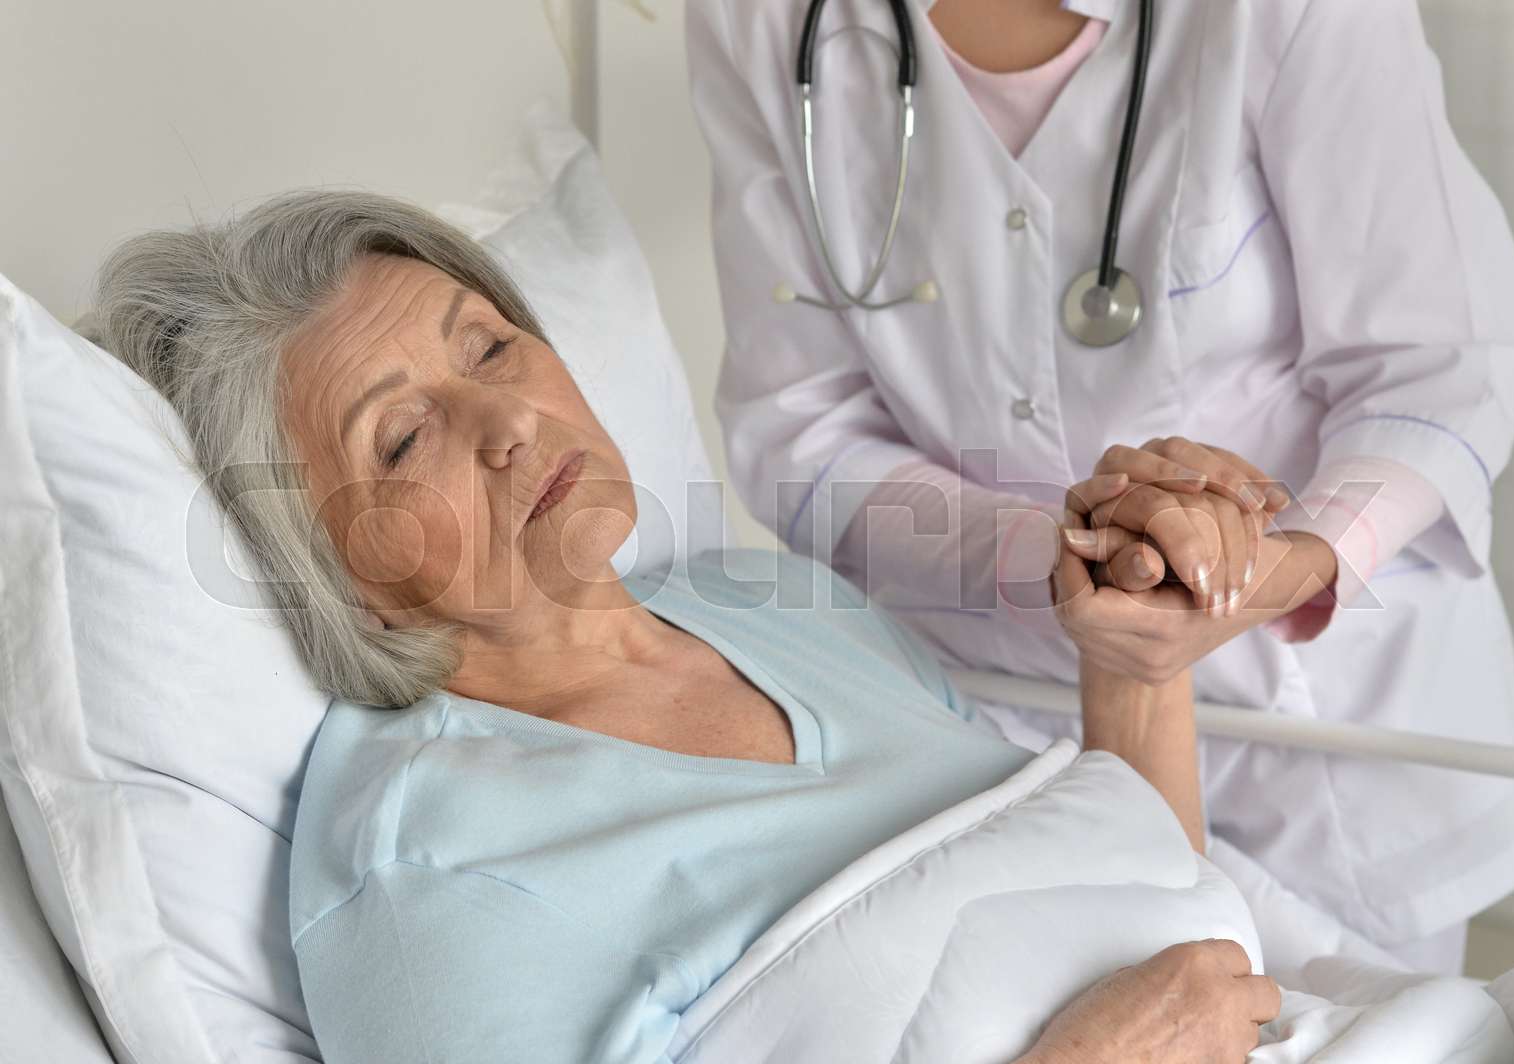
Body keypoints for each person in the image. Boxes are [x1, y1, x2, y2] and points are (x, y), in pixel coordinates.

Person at [89, 191, 1278, 1063]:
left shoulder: (765, 600)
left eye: (491, 344)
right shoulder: (424, 867)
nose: (505, 418)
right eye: (401, 439)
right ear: (331, 571)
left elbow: (1139, 890)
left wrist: (1135, 668)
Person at [686, 0, 1514, 972]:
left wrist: (1268, 567)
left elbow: (1432, 364)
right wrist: (1063, 555)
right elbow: (804, 427)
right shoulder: (761, 18)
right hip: (998, 730)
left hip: (1324, 751)